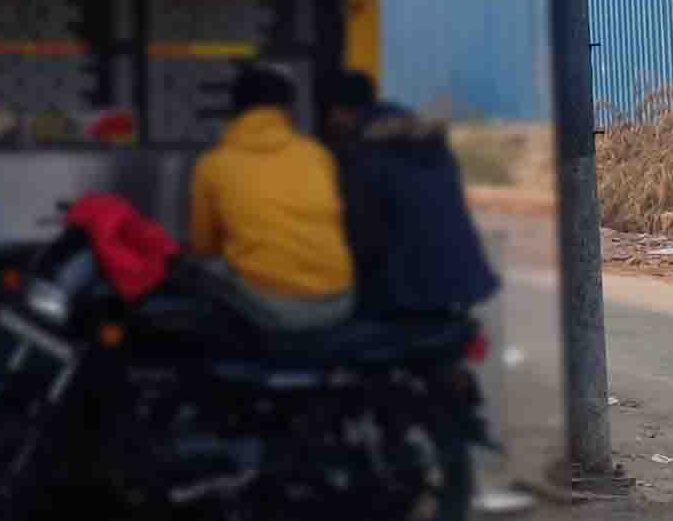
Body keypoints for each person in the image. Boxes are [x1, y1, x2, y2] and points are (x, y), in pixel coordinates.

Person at [319, 70, 500, 317]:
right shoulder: (424, 141)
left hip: (410, 292)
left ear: (339, 112)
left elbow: (362, 236)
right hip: (461, 282)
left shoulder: (364, 155)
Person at [188, 63, 355, 331]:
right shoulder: (317, 154)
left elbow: (204, 246)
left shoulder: (213, 164)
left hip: (273, 308)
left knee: (205, 272)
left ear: (235, 110)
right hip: (339, 300)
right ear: (288, 110)